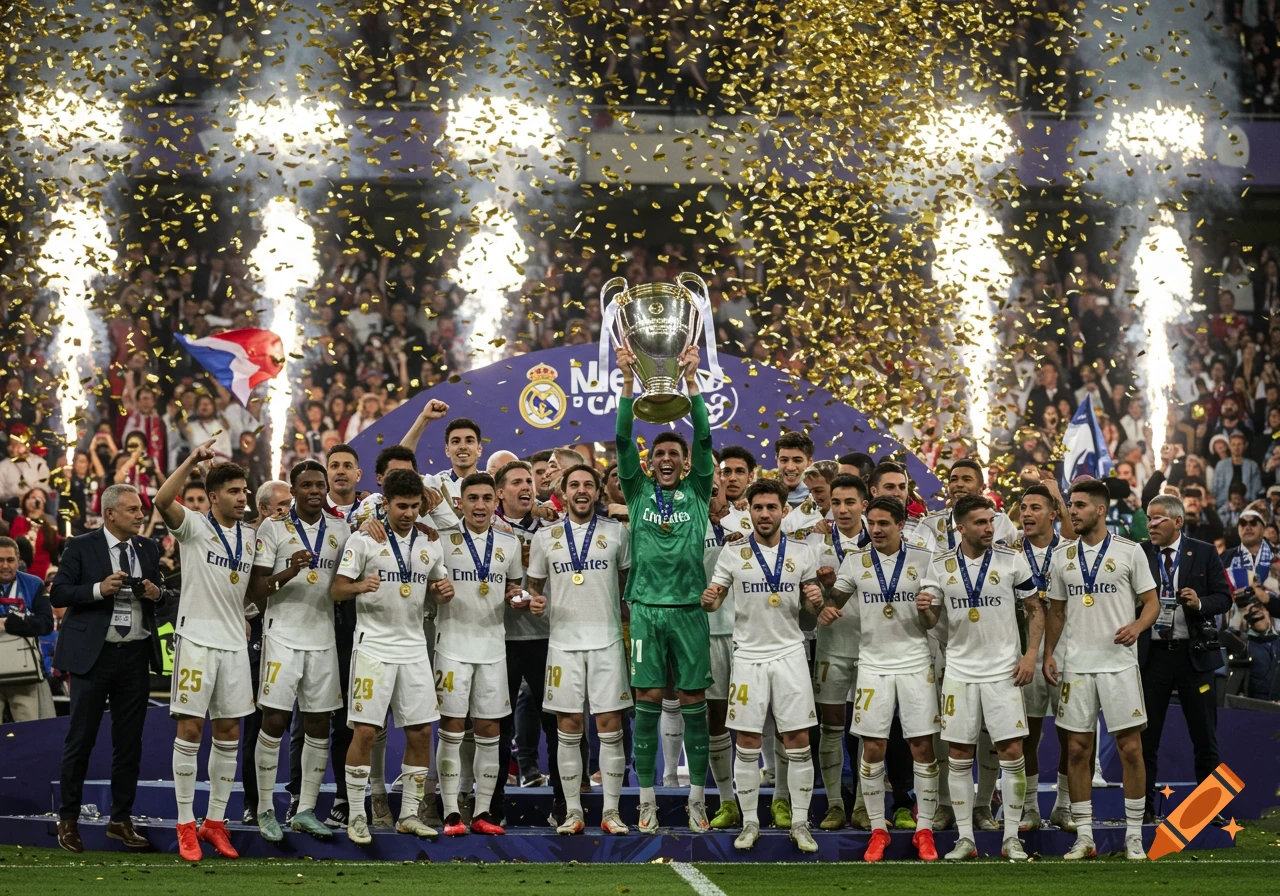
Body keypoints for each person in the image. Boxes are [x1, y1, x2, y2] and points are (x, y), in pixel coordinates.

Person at [614, 341, 715, 833]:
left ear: (686, 461)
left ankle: (696, 799)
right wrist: (627, 383)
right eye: (661, 453)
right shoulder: (636, 491)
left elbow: (707, 440)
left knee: (693, 702)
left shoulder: (698, 490)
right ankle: (646, 800)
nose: (668, 458)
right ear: (650, 462)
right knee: (649, 698)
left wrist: (692, 383)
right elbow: (620, 440)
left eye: (676, 452)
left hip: (690, 609)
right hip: (646, 609)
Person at [703, 478, 824, 853]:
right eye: (758, 507)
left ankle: (800, 823)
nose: (765, 514)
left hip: (790, 653)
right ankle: (750, 822)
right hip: (749, 656)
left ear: (784, 511)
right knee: (748, 741)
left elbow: (810, 610)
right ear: (749, 511)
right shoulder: (733, 552)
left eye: (772, 507)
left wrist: (816, 599)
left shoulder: (802, 552)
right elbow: (715, 598)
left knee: (798, 739)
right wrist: (709, 600)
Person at [817, 495, 941, 862]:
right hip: (872, 663)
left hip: (915, 662)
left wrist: (927, 611)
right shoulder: (856, 561)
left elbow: (932, 621)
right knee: (873, 748)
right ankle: (877, 829)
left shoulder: (924, 559)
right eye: (872, 523)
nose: (876, 529)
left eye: (884, 523)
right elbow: (835, 600)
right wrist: (825, 606)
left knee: (922, 746)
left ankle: (924, 830)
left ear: (901, 525)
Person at [919, 495, 1040, 861]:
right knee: (959, 754)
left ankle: (1011, 838)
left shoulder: (1011, 559)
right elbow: (930, 621)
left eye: (990, 521)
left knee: (1012, 751)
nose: (989, 528)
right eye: (980, 522)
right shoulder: (939, 565)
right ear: (960, 528)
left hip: (1003, 670)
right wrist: (924, 610)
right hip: (959, 670)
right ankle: (965, 839)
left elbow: (1035, 609)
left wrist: (1030, 655)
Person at [1044, 478, 1160, 861]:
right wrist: (1048, 654)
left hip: (1118, 665)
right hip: (1076, 666)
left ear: (1100, 510)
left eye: (1079, 505)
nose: (1072, 512)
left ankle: (1134, 837)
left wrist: (1138, 626)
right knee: (1077, 751)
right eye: (1070, 505)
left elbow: (1151, 602)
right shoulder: (1062, 556)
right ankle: (1084, 837)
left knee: (1131, 749)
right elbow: (1056, 611)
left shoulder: (1130, 551)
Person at [333, 468, 451, 844]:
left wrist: (442, 591)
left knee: (421, 731)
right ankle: (357, 815)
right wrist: (358, 586)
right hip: (373, 646)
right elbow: (336, 590)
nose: (409, 513)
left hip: (414, 647)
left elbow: (437, 585)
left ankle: (409, 815)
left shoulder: (430, 541)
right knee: (366, 731)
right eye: (402, 506)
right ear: (385, 503)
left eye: (415, 506)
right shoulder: (363, 539)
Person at [153, 441, 257, 861]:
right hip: (196, 639)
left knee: (229, 732)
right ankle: (184, 823)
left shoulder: (250, 537)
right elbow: (162, 500)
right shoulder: (194, 526)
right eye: (233, 491)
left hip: (234, 644)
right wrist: (192, 462)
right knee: (192, 730)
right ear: (213, 497)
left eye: (244, 491)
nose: (242, 497)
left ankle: (214, 822)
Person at [49, 487, 161, 852]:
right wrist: (99, 589)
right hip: (93, 657)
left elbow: (162, 593)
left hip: (135, 655)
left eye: (141, 509)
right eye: (132, 510)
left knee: (129, 743)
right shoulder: (80, 546)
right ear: (110, 513)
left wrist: (155, 593)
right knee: (80, 739)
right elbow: (59, 593)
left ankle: (120, 819)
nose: (140, 515)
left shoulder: (147, 548)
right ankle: (68, 819)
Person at [247, 461, 352, 841]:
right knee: (275, 720)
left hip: (323, 637)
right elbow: (256, 590)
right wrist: (289, 571)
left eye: (319, 485)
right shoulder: (273, 528)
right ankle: (264, 808)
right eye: (306, 485)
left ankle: (305, 809)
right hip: (282, 635)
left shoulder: (340, 529)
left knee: (319, 723)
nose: (314, 491)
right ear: (293, 491)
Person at [527, 464, 633, 834]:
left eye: (588, 484)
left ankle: (611, 812)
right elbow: (534, 588)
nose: (582, 490)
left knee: (610, 727)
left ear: (598, 491)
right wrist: (534, 601)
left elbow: (628, 583)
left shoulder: (617, 532)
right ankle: (574, 812)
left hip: (607, 642)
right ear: (564, 492)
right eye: (574, 485)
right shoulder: (545, 536)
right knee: (568, 728)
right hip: (563, 644)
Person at [434, 472, 523, 836]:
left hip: (493, 648)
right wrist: (435, 593)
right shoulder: (441, 539)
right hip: (452, 646)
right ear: (460, 503)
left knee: (489, 728)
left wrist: (517, 597)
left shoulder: (509, 542)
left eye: (487, 498)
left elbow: (513, 586)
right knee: (452, 727)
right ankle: (451, 812)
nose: (480, 505)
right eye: (473, 498)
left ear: (495, 501)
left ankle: (483, 811)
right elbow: (428, 585)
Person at [1139, 495, 1232, 822]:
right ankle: (1143, 809)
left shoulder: (1204, 552)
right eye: (1149, 518)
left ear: (1178, 522)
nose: (1151, 524)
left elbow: (1224, 597)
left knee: (1205, 736)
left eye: (1158, 518)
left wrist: (1200, 603)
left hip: (1194, 655)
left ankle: (1211, 811)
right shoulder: (1139, 553)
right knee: (1146, 738)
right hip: (1153, 657)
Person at [491, 459, 563, 823]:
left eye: (529, 481)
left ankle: (564, 805)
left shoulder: (554, 526)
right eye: (516, 482)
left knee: (558, 724)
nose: (526, 487)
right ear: (499, 492)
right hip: (500, 639)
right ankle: (493, 806)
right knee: (497, 726)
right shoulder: (486, 527)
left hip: (547, 636)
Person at [804, 473, 870, 831]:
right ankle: (834, 805)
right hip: (832, 646)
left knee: (866, 731)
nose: (843, 510)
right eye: (837, 502)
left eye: (850, 502)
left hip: (872, 648)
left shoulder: (880, 540)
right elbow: (807, 600)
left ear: (864, 504)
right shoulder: (814, 543)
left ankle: (862, 805)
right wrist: (822, 601)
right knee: (830, 728)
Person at [1014, 483, 1077, 832]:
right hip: (1023, 653)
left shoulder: (1071, 551)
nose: (1027, 513)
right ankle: (1029, 808)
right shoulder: (1008, 551)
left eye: (1035, 508)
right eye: (1023, 507)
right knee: (1027, 732)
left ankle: (1063, 806)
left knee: (1071, 733)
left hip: (1066, 651)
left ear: (1053, 514)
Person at [702, 460, 751, 830]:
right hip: (707, 630)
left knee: (761, 717)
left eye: (714, 477)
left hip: (752, 634)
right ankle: (727, 801)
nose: (711, 485)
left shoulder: (749, 518)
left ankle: (777, 799)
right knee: (716, 717)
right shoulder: (685, 523)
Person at [0, 536, 54, 723]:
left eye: (10, 560)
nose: (5, 566)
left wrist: (9, 624)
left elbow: (46, 623)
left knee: (29, 730)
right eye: (0, 560)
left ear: (18, 560)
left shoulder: (34, 584)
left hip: (25, 674)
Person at [9, 487, 62, 582]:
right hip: (22, 572)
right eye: (33, 497)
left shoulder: (48, 525)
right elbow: (15, 542)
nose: (36, 501)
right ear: (26, 501)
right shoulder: (19, 520)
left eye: (40, 498)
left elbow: (56, 544)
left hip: (44, 575)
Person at [0, 424, 51, 504]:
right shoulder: (3, 466)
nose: (13, 448)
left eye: (18, 444)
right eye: (12, 444)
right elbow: (1, 493)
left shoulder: (38, 462)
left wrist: (33, 494)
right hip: (14, 505)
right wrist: (15, 498)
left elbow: (45, 485)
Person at [774, 432, 815, 507]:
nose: (790, 468)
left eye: (797, 461)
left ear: (809, 462)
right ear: (777, 460)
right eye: (784, 460)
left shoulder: (821, 500)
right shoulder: (760, 495)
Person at [324, 443, 364, 520]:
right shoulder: (311, 511)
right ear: (326, 474)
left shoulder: (371, 510)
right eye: (334, 466)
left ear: (358, 475)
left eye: (347, 466)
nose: (340, 471)